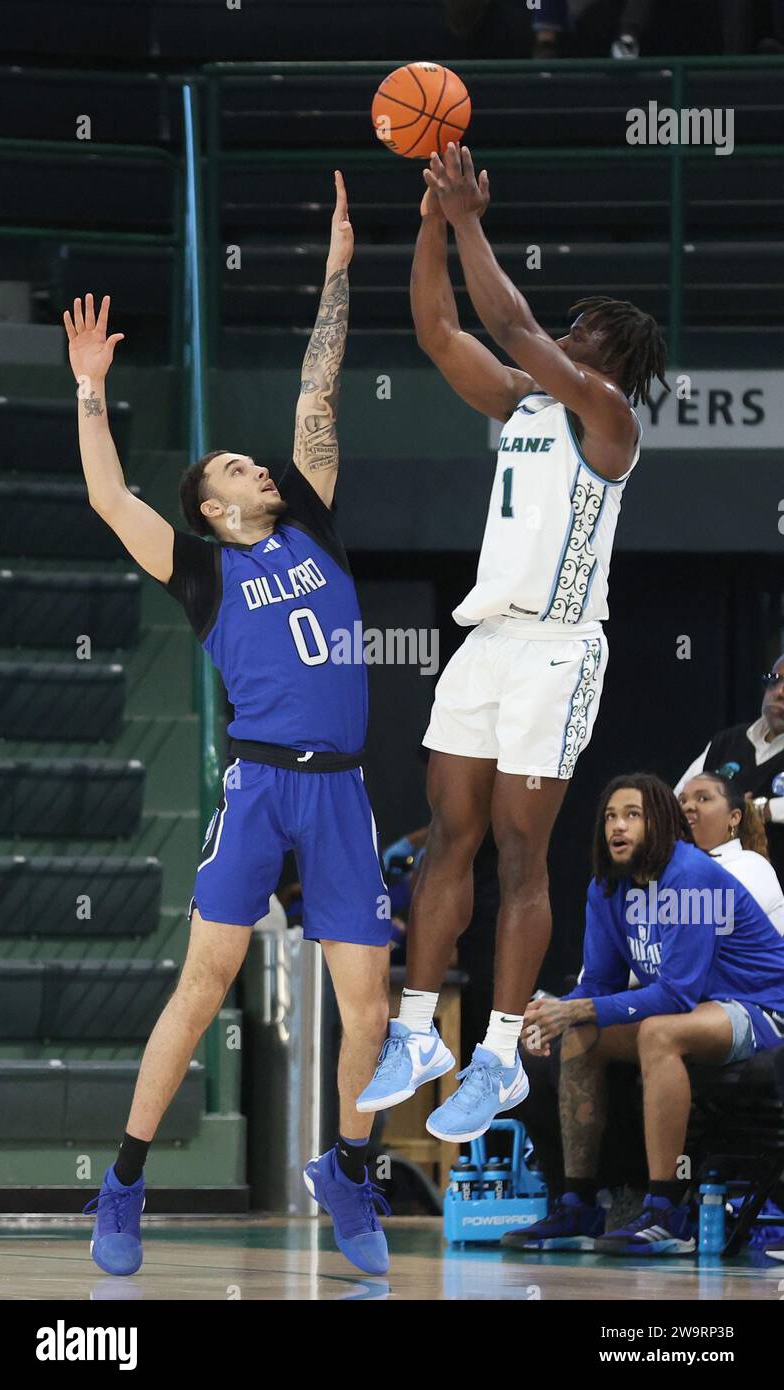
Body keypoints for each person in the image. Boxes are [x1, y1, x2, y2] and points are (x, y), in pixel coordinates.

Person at [70, 172, 393, 1279]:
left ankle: (348, 1164)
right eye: (239, 467)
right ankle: (122, 1185)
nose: (263, 464)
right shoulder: (203, 571)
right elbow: (114, 503)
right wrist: (89, 392)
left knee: (372, 1000)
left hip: (342, 785)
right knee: (201, 982)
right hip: (260, 785)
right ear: (211, 503)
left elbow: (320, 388)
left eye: (262, 463)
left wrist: (339, 266)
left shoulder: (318, 526)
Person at [357, 143, 668, 1143]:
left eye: (584, 330)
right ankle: (419, 1031)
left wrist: (472, 217)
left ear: (609, 353)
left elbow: (512, 321)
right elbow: (442, 326)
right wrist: (430, 223)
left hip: (559, 651)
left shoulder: (609, 418)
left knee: (522, 853)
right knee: (449, 836)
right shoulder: (524, 403)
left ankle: (499, 1055)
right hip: (488, 640)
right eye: (567, 325)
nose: (565, 334)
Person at [501, 773, 784, 1256]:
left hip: (763, 1007)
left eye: (633, 815)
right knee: (581, 1035)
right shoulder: (607, 889)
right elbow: (600, 985)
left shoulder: (691, 877)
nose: (618, 826)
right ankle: (578, 1202)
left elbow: (676, 995)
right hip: (704, 1010)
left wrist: (579, 1007)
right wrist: (559, 1013)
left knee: (657, 1033)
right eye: (611, 816)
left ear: (660, 823)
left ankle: (666, 1210)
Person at [674, 653, 784, 884]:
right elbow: (676, 800)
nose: (779, 692)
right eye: (775, 680)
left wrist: (762, 810)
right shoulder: (728, 741)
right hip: (712, 883)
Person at [679, 771, 784, 934]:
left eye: (703, 798)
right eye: (682, 800)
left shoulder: (750, 866)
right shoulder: (677, 867)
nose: (687, 806)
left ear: (734, 817)